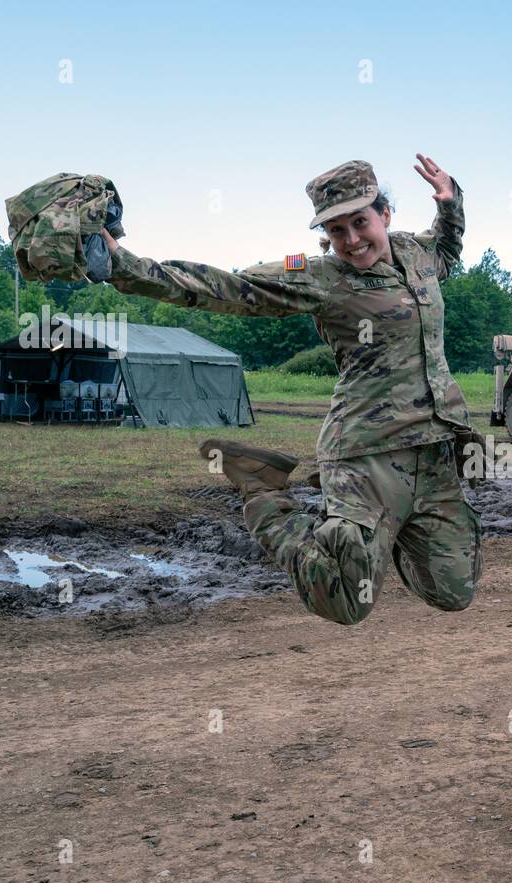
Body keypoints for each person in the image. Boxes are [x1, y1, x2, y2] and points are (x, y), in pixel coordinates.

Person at [100, 156, 483, 625]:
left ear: (385, 214)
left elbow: (447, 249)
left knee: (453, 588)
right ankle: (265, 492)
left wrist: (451, 203)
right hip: (366, 456)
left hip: (436, 451)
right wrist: (120, 265)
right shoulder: (320, 277)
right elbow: (226, 286)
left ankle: (383, 531)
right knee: (345, 600)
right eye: (337, 231)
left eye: (360, 222)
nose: (352, 240)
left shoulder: (416, 254)